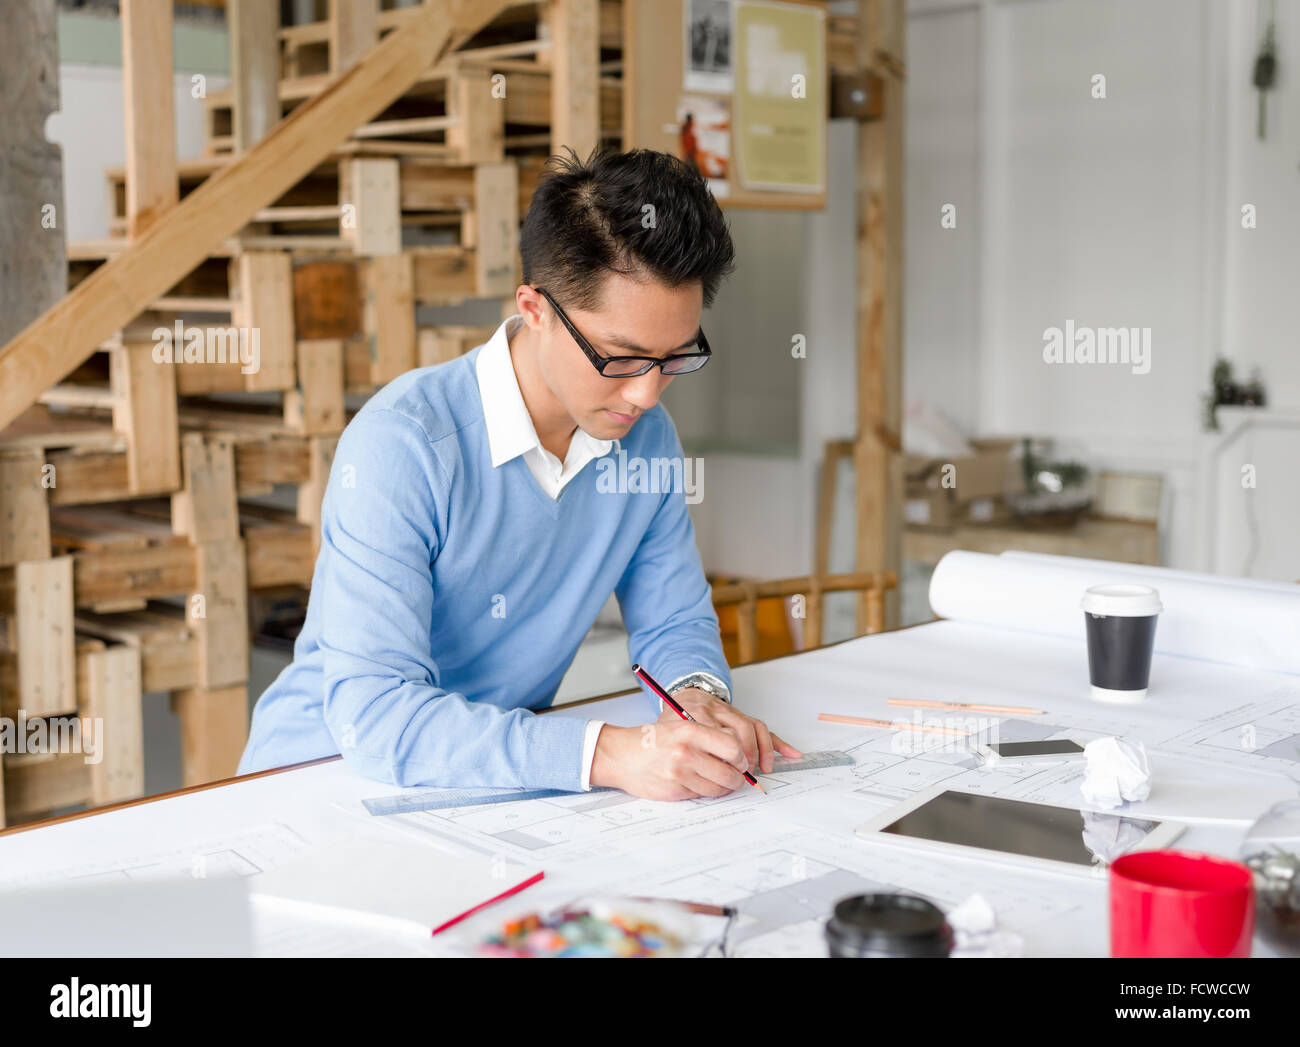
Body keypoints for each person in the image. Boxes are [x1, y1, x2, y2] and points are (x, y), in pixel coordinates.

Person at [237, 148, 800, 800]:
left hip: (490, 791)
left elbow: (673, 623)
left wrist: (696, 700)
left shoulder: (646, 443)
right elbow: (377, 717)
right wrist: (609, 753)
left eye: (676, 357)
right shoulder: (403, 445)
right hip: (319, 785)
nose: (648, 394)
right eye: (621, 358)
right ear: (535, 310)